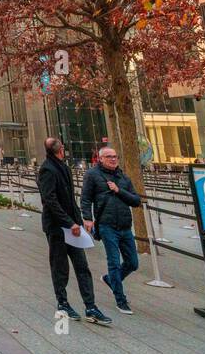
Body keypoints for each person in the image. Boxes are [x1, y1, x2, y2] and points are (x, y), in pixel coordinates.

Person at [38, 137, 111, 326]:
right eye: (63, 147)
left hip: (73, 227)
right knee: (60, 266)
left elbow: (69, 199)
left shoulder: (63, 167)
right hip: (58, 228)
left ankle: (90, 306)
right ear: (60, 149)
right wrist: (69, 223)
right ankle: (62, 303)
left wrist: (79, 221)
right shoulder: (47, 169)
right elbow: (50, 200)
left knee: (82, 266)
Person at [81, 145, 142, 315]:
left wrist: (118, 190)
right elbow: (85, 198)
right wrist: (87, 218)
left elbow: (136, 201)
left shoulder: (123, 177)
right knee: (113, 262)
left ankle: (110, 280)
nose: (113, 159)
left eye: (115, 156)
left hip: (125, 226)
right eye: (109, 156)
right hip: (107, 225)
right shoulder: (92, 175)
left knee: (133, 263)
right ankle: (120, 299)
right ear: (100, 159)